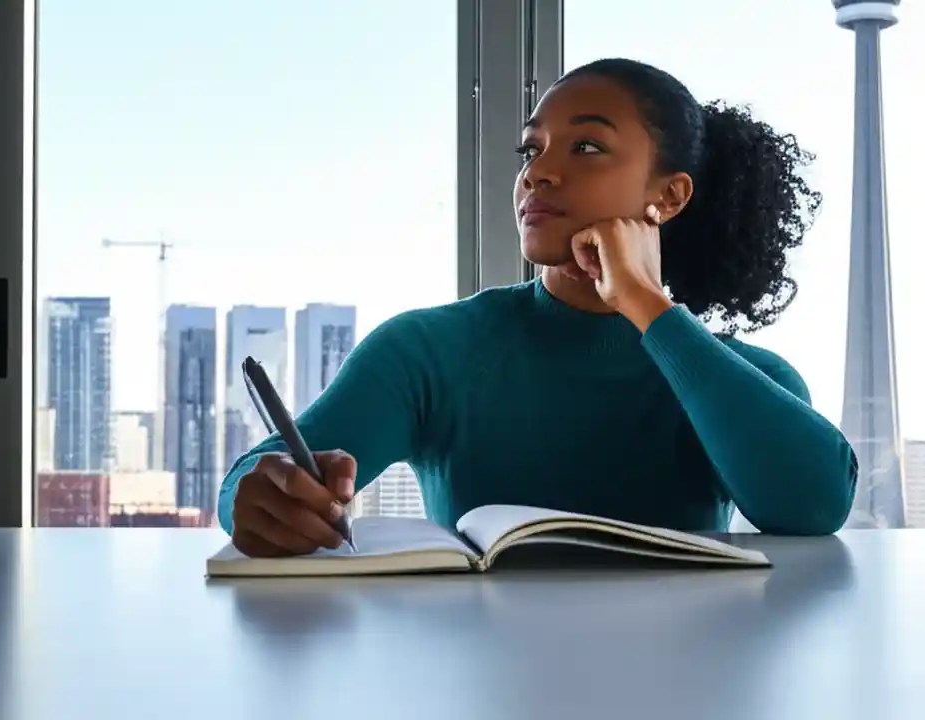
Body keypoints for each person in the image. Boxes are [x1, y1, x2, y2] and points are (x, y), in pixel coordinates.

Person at [220, 58, 857, 557]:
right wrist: (263, 497)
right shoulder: (428, 351)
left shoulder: (742, 380)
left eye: (585, 148)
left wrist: (644, 303)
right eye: (532, 150)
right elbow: (253, 476)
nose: (537, 174)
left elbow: (815, 507)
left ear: (669, 195)